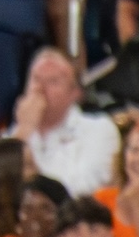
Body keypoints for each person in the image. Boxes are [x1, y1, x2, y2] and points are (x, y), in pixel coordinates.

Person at [13, 49, 122, 198]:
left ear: (75, 93)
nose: (40, 89)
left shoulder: (100, 130)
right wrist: (24, 132)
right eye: (36, 79)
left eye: (53, 81)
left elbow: (85, 192)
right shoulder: (16, 134)